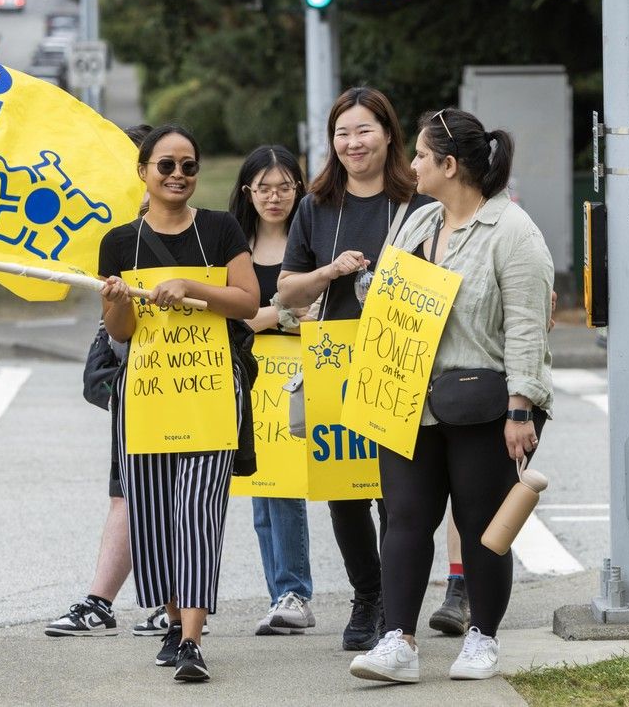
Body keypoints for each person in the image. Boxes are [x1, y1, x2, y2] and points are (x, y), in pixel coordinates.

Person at [349, 107, 553, 684]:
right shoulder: (418, 221)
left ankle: (483, 638)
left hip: (484, 404)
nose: (411, 164)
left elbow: (527, 326)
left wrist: (521, 408)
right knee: (405, 518)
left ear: (449, 165)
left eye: (420, 155)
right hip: (409, 399)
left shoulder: (512, 231)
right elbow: (388, 296)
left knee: (481, 521)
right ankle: (398, 641)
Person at [98, 123, 260, 683]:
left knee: (197, 516)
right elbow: (119, 331)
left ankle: (192, 639)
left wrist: (191, 288)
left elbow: (247, 302)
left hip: (210, 394)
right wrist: (119, 300)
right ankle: (171, 622)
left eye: (188, 166)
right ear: (143, 171)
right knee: (155, 518)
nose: (177, 175)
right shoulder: (119, 242)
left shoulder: (219, 229)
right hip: (146, 399)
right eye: (165, 165)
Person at [277, 87, 433, 651]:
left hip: (401, 361)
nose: (353, 143)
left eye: (364, 130)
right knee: (344, 493)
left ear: (389, 134)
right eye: (342, 133)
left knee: (398, 495)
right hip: (335, 363)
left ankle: (395, 601)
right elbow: (288, 289)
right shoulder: (317, 206)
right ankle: (366, 596)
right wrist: (329, 273)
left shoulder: (420, 202)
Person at [44, 123, 155, 639]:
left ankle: (176, 607)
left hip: (182, 378)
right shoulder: (116, 234)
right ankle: (102, 601)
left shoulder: (194, 231)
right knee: (127, 493)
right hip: (133, 377)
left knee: (170, 496)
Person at [228, 145, 316, 636]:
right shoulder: (234, 246)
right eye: (264, 188)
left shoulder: (311, 242)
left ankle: (295, 591)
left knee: (293, 489)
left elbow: (320, 313)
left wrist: (267, 315)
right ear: (248, 192)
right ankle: (282, 594)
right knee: (263, 490)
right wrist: (282, 313)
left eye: (284, 187)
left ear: (299, 189)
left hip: (307, 375)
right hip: (251, 378)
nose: (274, 197)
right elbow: (234, 317)